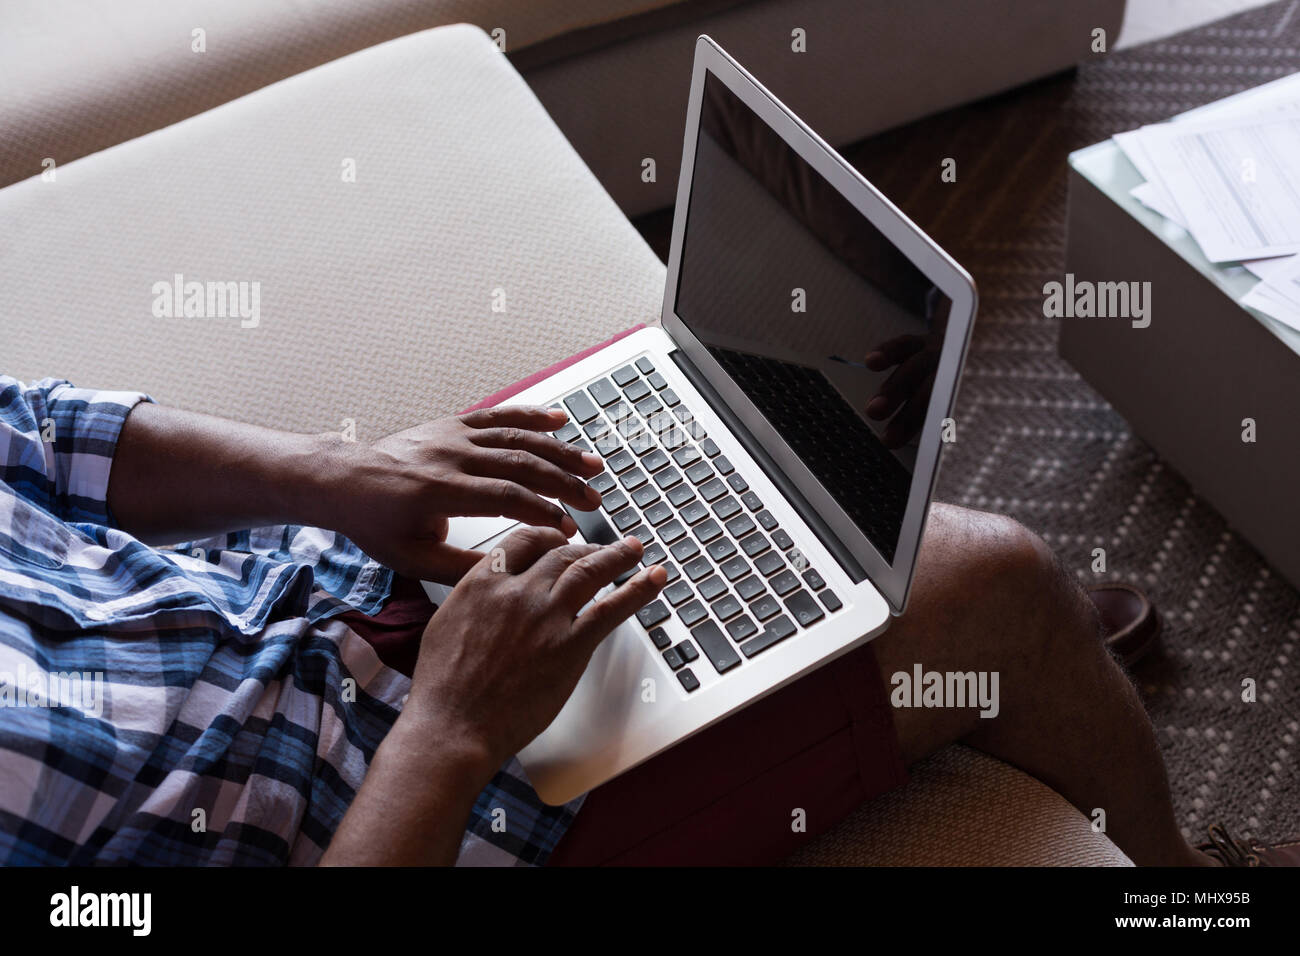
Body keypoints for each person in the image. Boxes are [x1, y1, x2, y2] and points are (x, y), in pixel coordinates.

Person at [0, 375, 1289, 866]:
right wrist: (449, 730)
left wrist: (334, 474)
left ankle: (958, 651)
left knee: (724, 436)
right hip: (435, 801)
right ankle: (1172, 880)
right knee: (997, 573)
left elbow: (39, 435)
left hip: (317, 580)